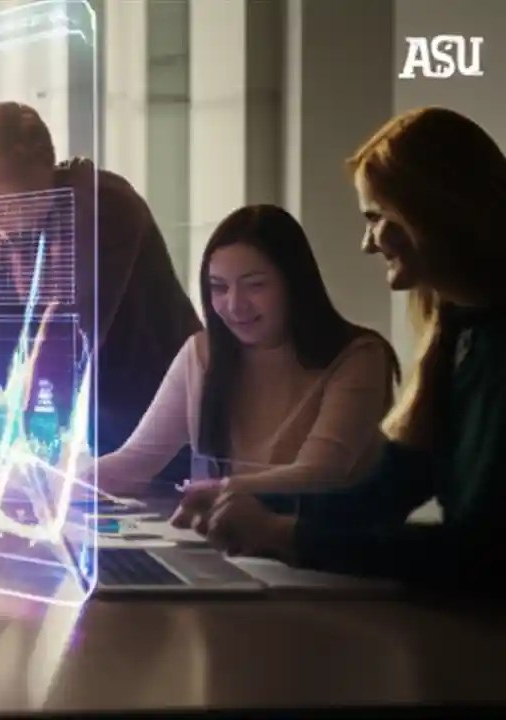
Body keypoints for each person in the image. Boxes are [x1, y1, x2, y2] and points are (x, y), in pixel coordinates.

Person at [172, 107, 506, 590]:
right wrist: (249, 506)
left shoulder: (479, 347)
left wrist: (282, 534)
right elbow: (384, 495)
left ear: (431, 214)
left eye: (377, 218)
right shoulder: (459, 333)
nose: (368, 243)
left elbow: (476, 554)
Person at [0, 101, 201, 473]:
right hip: (83, 405)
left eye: (2, 201)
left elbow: (67, 329)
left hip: (148, 399)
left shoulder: (100, 205)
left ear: (39, 174)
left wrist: (29, 434)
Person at [82, 205, 400, 500]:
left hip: (321, 548)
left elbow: (320, 474)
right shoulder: (202, 354)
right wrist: (59, 486)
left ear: (295, 283)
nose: (234, 305)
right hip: (228, 544)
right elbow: (135, 463)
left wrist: (215, 491)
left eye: (255, 285)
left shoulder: (358, 356)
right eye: (219, 288)